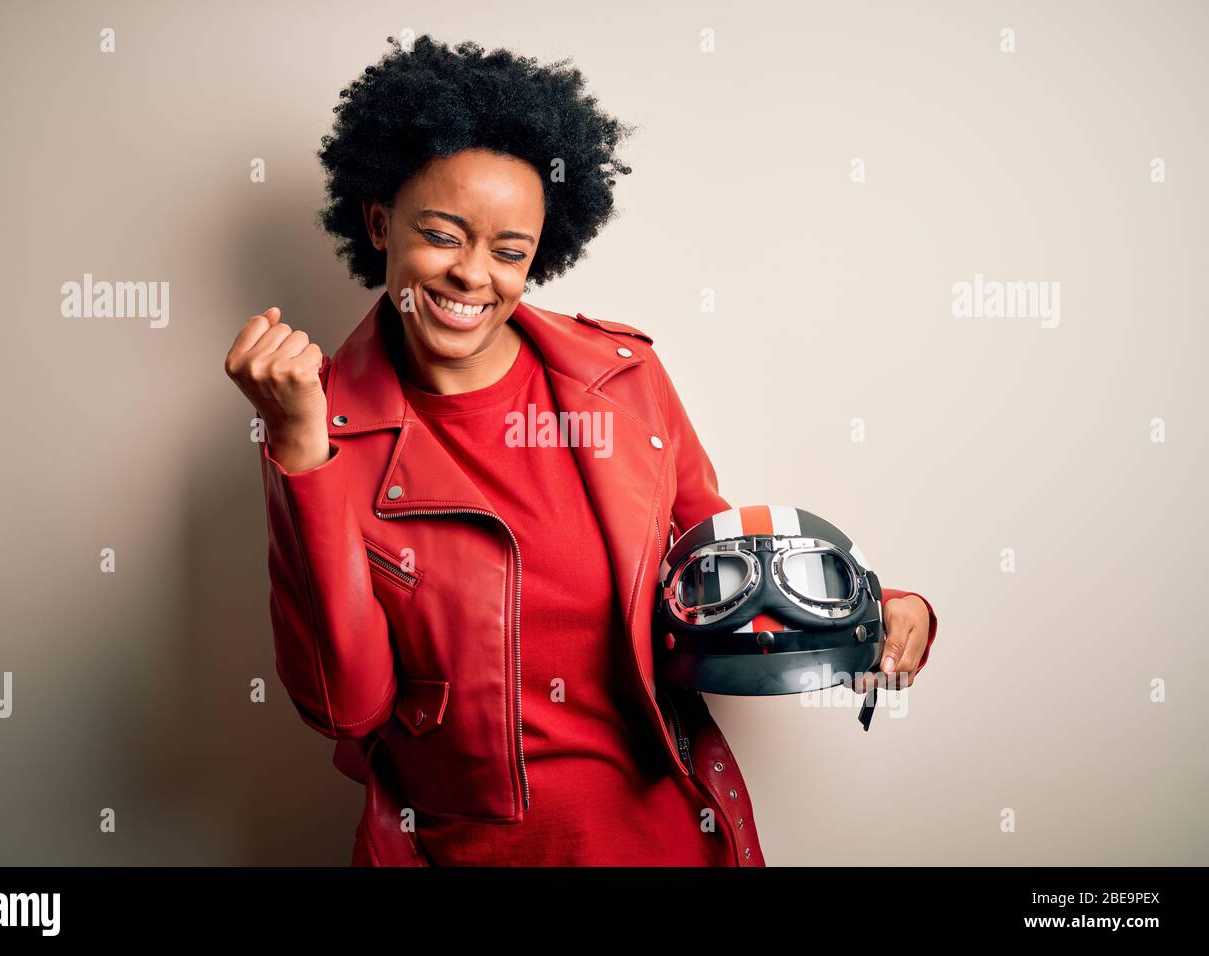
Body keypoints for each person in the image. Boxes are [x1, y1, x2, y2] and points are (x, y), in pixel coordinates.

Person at [224, 34, 938, 866]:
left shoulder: (621, 377)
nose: (472, 275)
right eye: (443, 236)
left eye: (510, 250)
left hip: (668, 833)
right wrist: (300, 450)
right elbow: (345, 704)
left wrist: (869, 609)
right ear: (380, 224)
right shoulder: (321, 426)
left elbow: (714, 571)